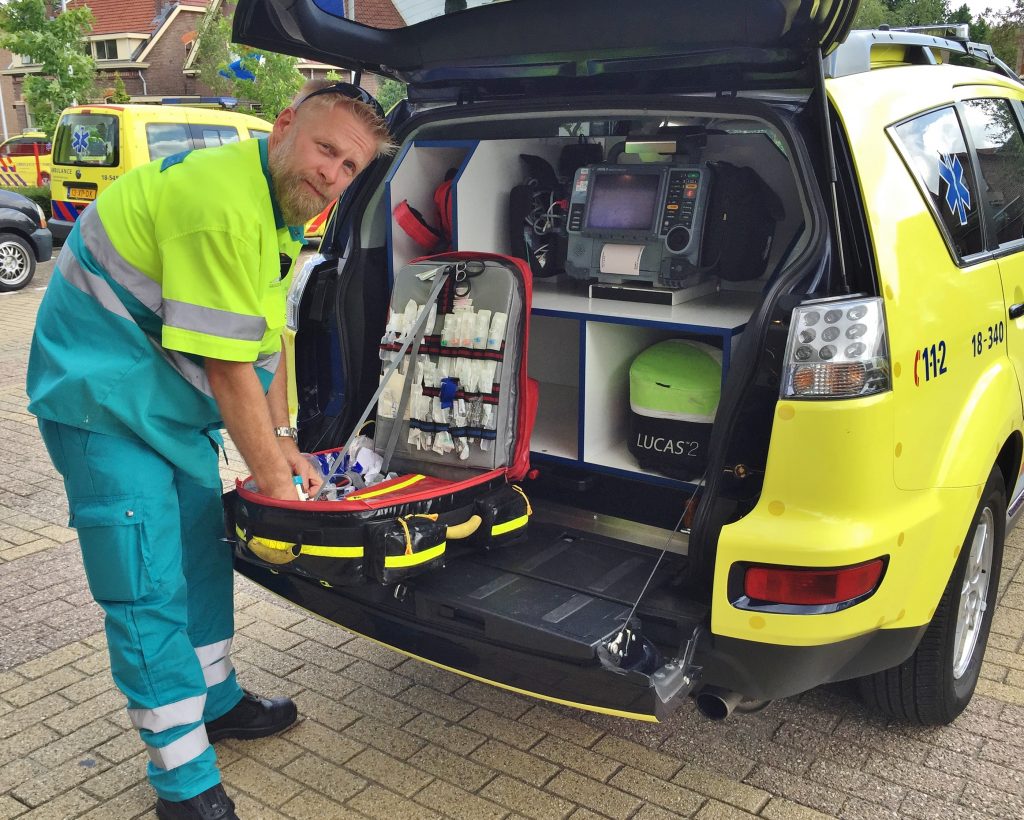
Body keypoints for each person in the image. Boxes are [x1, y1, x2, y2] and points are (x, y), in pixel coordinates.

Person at [26, 81, 395, 820]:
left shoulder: (277, 213)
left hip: (163, 408)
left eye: (351, 167)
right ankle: (183, 782)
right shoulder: (223, 204)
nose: (332, 173)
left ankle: (216, 702)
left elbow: (266, 340)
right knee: (145, 585)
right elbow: (228, 371)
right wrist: (279, 489)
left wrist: (284, 443)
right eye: (326, 149)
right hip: (102, 407)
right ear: (285, 126)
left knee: (200, 552)